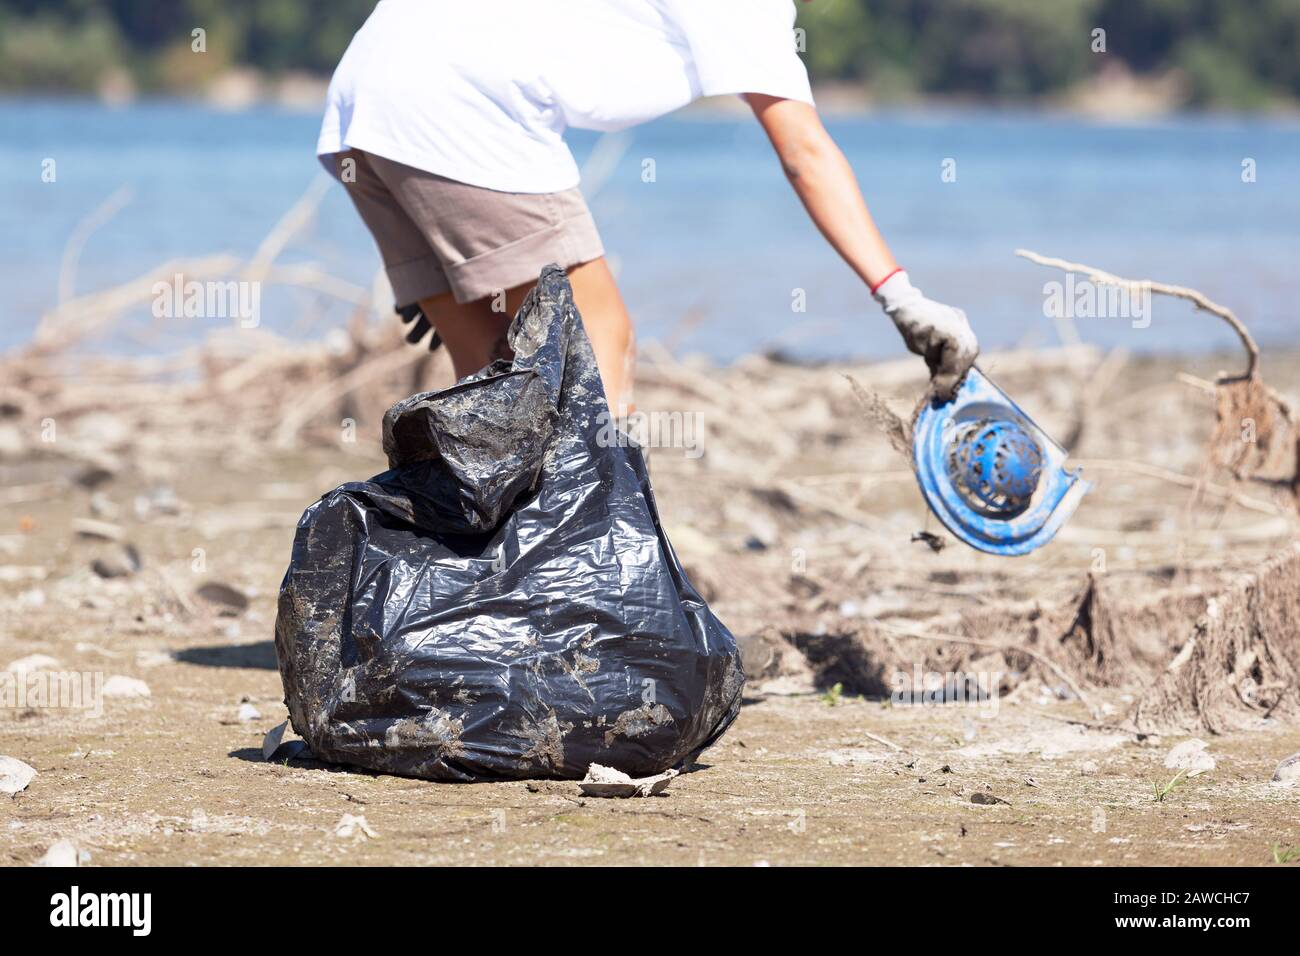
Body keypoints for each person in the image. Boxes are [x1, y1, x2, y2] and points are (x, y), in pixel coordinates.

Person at [318, 0, 979, 412]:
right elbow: (804, 152)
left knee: (491, 381)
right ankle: (584, 598)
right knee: (600, 356)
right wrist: (901, 297)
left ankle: (486, 599)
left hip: (366, 96)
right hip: (464, 104)